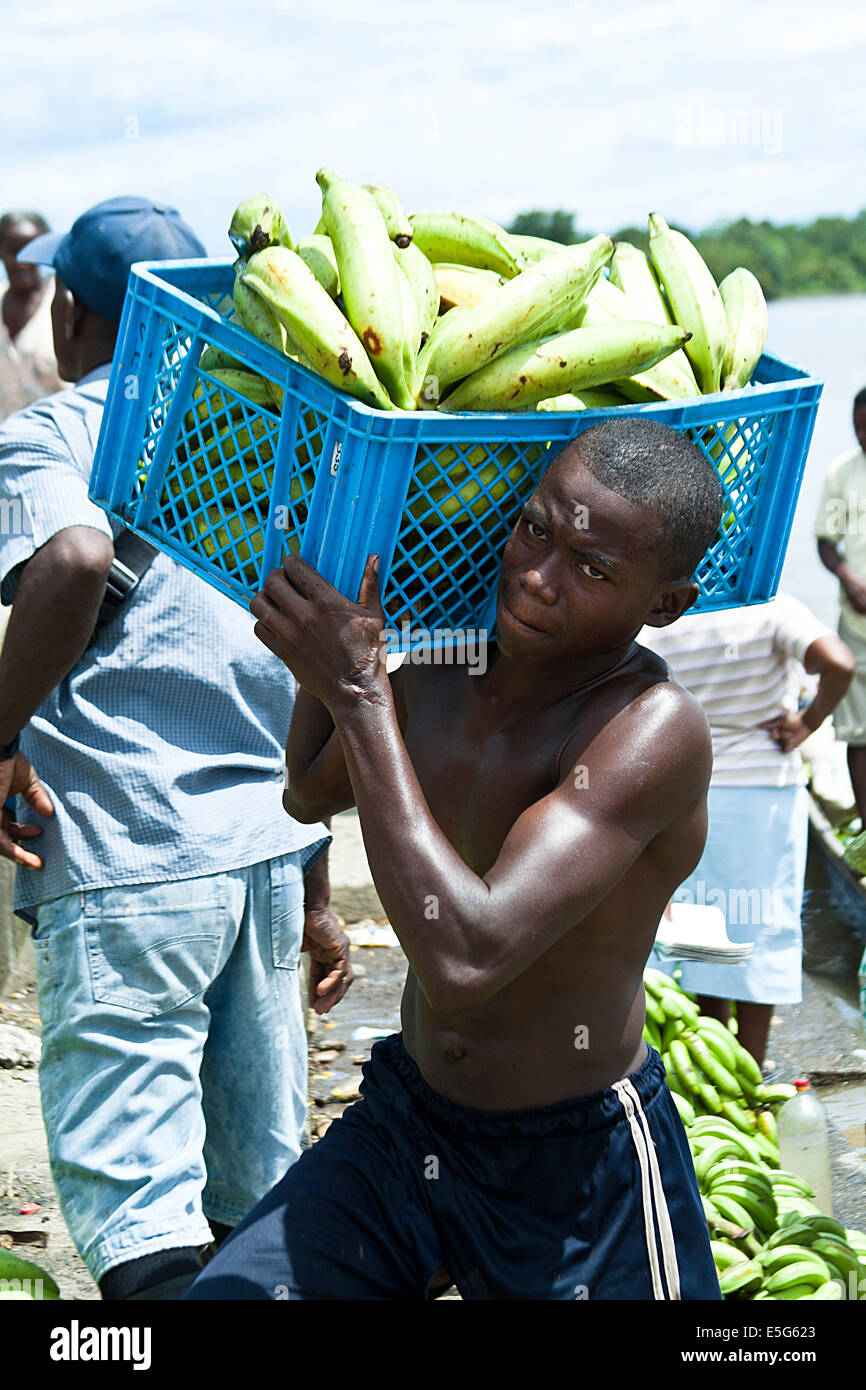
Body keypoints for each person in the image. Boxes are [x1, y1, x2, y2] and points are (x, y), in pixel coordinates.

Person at [188, 418, 726, 1302]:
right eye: (533, 530)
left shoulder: (650, 729)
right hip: (411, 1123)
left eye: (593, 571)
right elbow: (308, 791)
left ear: (664, 604)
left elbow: (467, 960)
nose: (538, 578)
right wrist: (334, 631)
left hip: (578, 1171)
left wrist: (359, 691)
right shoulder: (444, 667)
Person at [0, 197, 353, 1301]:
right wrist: (318, 891)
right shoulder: (267, 445)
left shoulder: (55, 431)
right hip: (265, 861)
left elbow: (72, 559)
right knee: (255, 1201)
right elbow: (301, 674)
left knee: (138, 1206)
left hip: (130, 859)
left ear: (73, 310)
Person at [642, 594, 853, 1070]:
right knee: (758, 926)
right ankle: (751, 1072)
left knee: (698, 927)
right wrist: (807, 722)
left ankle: (708, 1062)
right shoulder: (774, 607)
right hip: (760, 793)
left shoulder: (663, 607)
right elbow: (839, 662)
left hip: (678, 787)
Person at [815, 388, 866, 824]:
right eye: (857, 427)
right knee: (858, 731)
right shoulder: (842, 473)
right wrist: (849, 579)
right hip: (857, 624)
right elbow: (827, 542)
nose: (862, 436)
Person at [0, 211, 63, 418]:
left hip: (55, 432)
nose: (23, 261)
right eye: (14, 251)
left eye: (32, 250)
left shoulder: (66, 304)